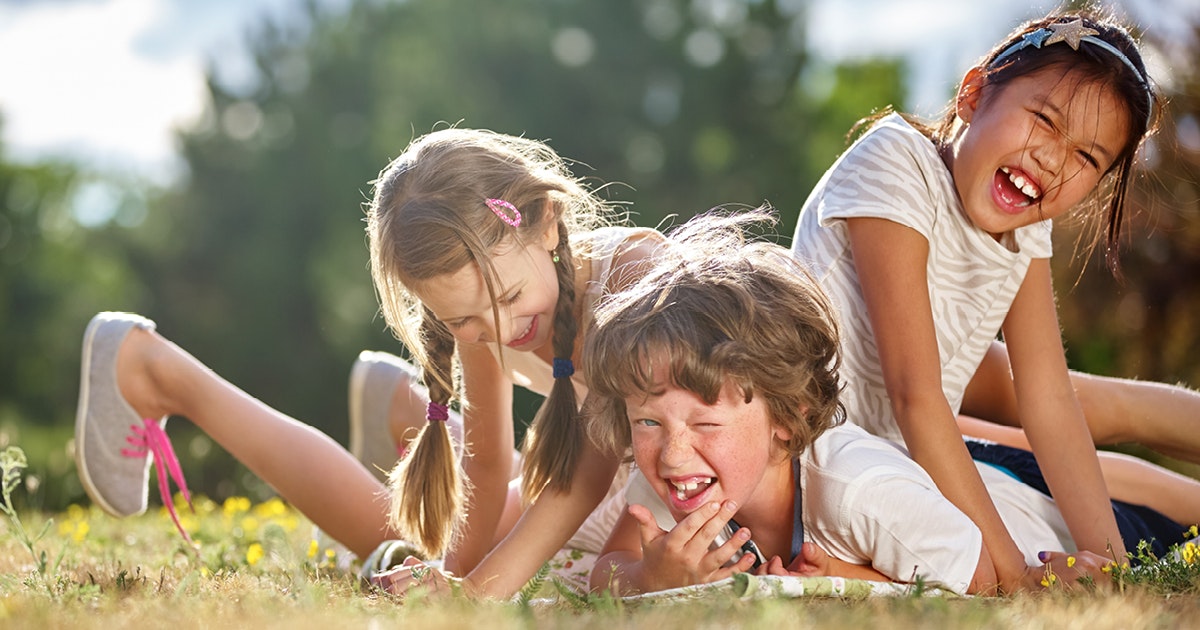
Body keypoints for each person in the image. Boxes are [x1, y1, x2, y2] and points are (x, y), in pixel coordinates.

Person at [74, 128, 664, 599]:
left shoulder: (635, 277)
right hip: (594, 482)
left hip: (634, 477)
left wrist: (470, 593)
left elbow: (588, 468)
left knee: (495, 555)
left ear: (547, 223)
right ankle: (160, 372)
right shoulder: (481, 310)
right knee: (423, 547)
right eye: (463, 320)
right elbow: (485, 467)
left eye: (509, 298)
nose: (502, 329)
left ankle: (396, 405)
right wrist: (449, 576)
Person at [579, 212, 1195, 596]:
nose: (671, 452)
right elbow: (612, 564)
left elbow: (989, 585)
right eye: (647, 421)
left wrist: (848, 581)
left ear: (786, 424)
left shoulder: (859, 492)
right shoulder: (675, 477)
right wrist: (648, 577)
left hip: (1056, 532)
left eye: (705, 422)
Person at [789, 11, 1171, 592]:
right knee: (984, 553)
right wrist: (1019, 576)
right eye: (1044, 119)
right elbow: (915, 395)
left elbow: (1049, 401)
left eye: (1086, 158)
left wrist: (1112, 567)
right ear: (972, 94)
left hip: (911, 465)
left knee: (1070, 526)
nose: (1052, 159)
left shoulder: (1026, 231)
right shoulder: (895, 161)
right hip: (819, 454)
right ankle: (838, 559)